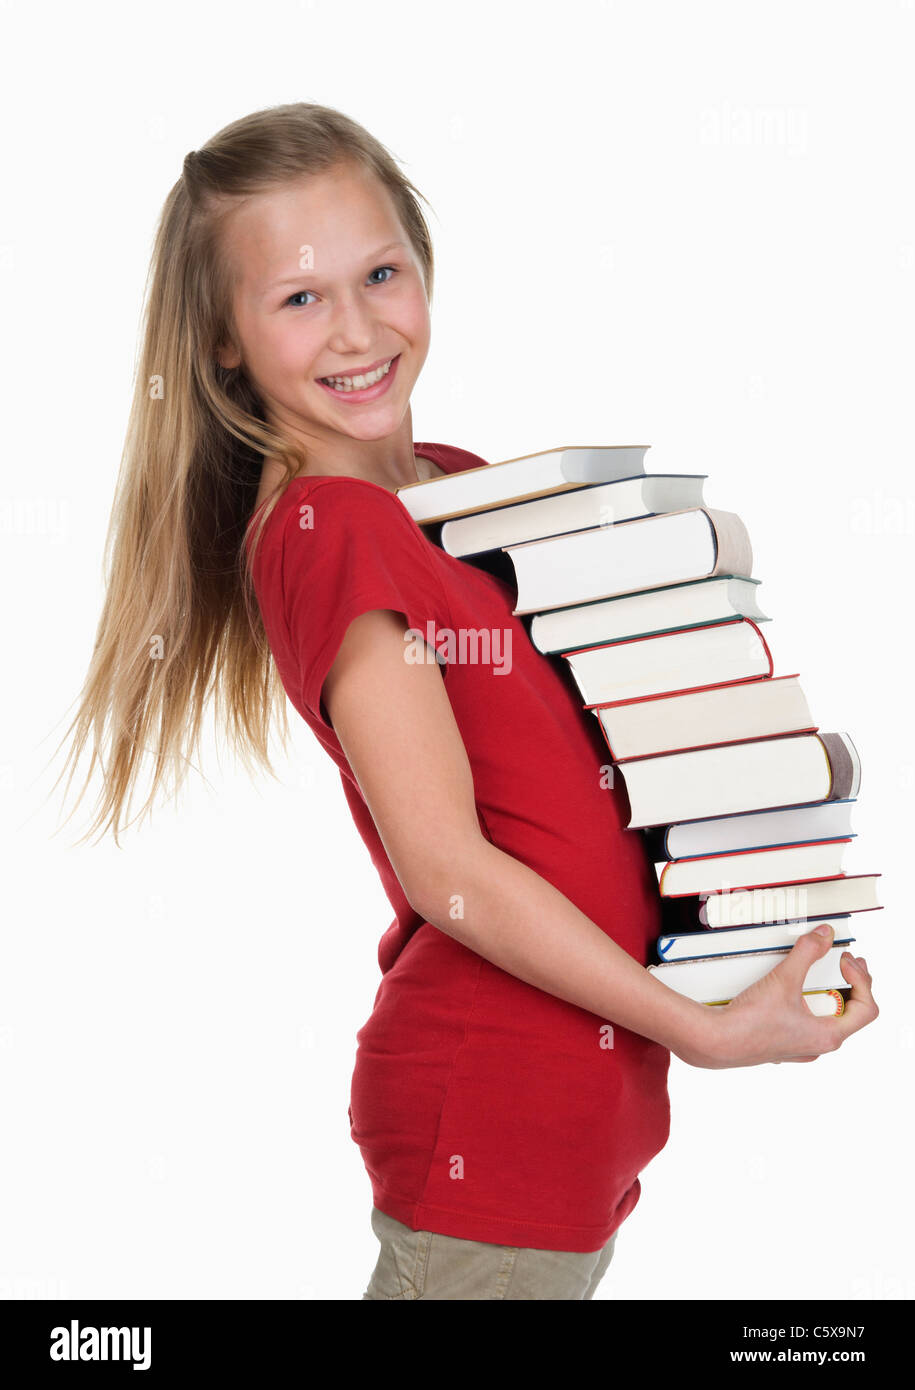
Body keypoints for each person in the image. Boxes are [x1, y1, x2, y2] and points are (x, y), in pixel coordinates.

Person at [53, 102, 879, 1301]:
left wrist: (758, 946)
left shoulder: (455, 492)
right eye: (298, 298)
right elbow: (447, 863)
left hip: (570, 1122)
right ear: (221, 343)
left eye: (380, 272)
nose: (357, 326)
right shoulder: (330, 530)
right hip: (488, 1115)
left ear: (422, 263)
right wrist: (698, 1028)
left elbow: (595, 780)